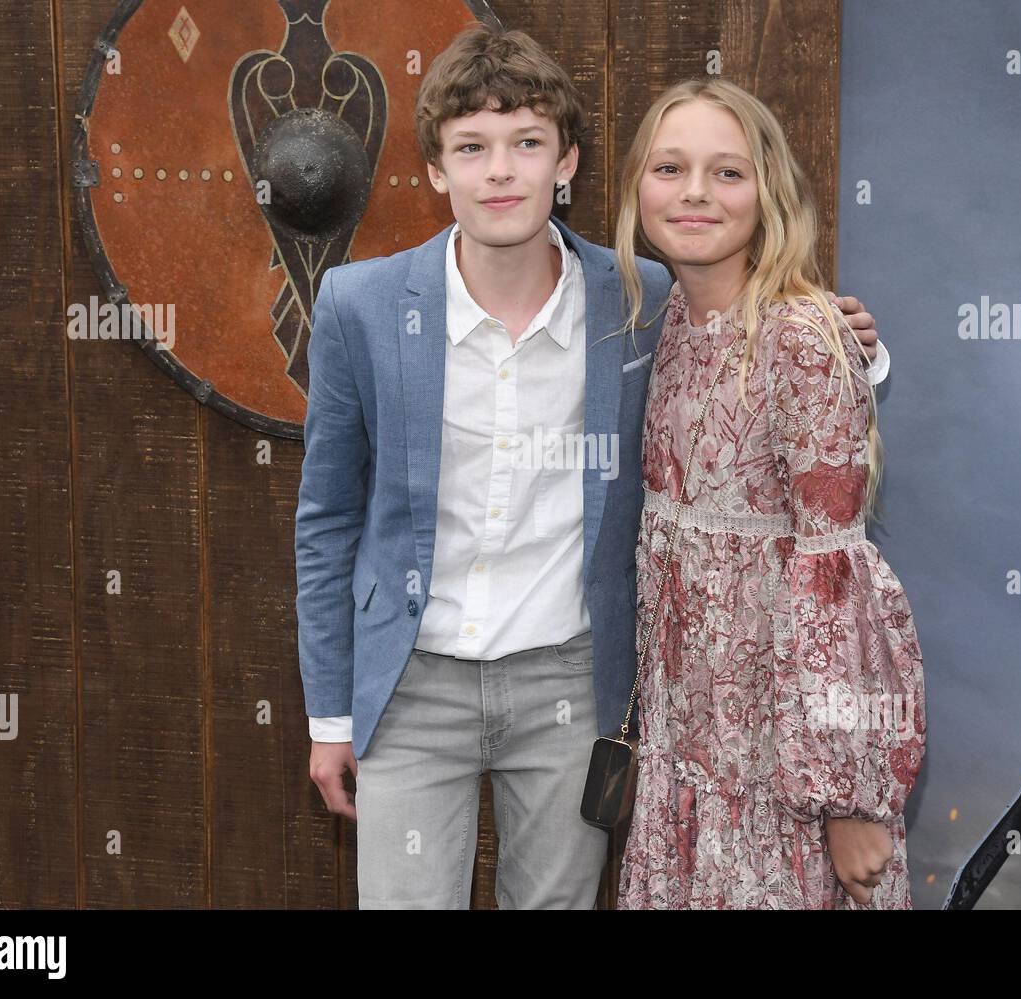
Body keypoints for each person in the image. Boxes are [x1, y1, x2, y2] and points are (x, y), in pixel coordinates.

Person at [295, 24, 886, 909]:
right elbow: (328, 520)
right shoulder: (362, 306)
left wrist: (858, 350)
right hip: (410, 682)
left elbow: (757, 330)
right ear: (433, 170)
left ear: (565, 162)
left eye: (527, 143)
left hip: (570, 686)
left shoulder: (641, 297)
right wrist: (330, 715)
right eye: (472, 148)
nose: (500, 171)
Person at [612, 78, 925, 909]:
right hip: (688, 757)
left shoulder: (800, 334)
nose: (694, 194)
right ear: (637, 185)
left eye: (727, 173)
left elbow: (838, 589)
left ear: (770, 191)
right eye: (670, 167)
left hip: (782, 784)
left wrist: (846, 802)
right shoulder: (670, 320)